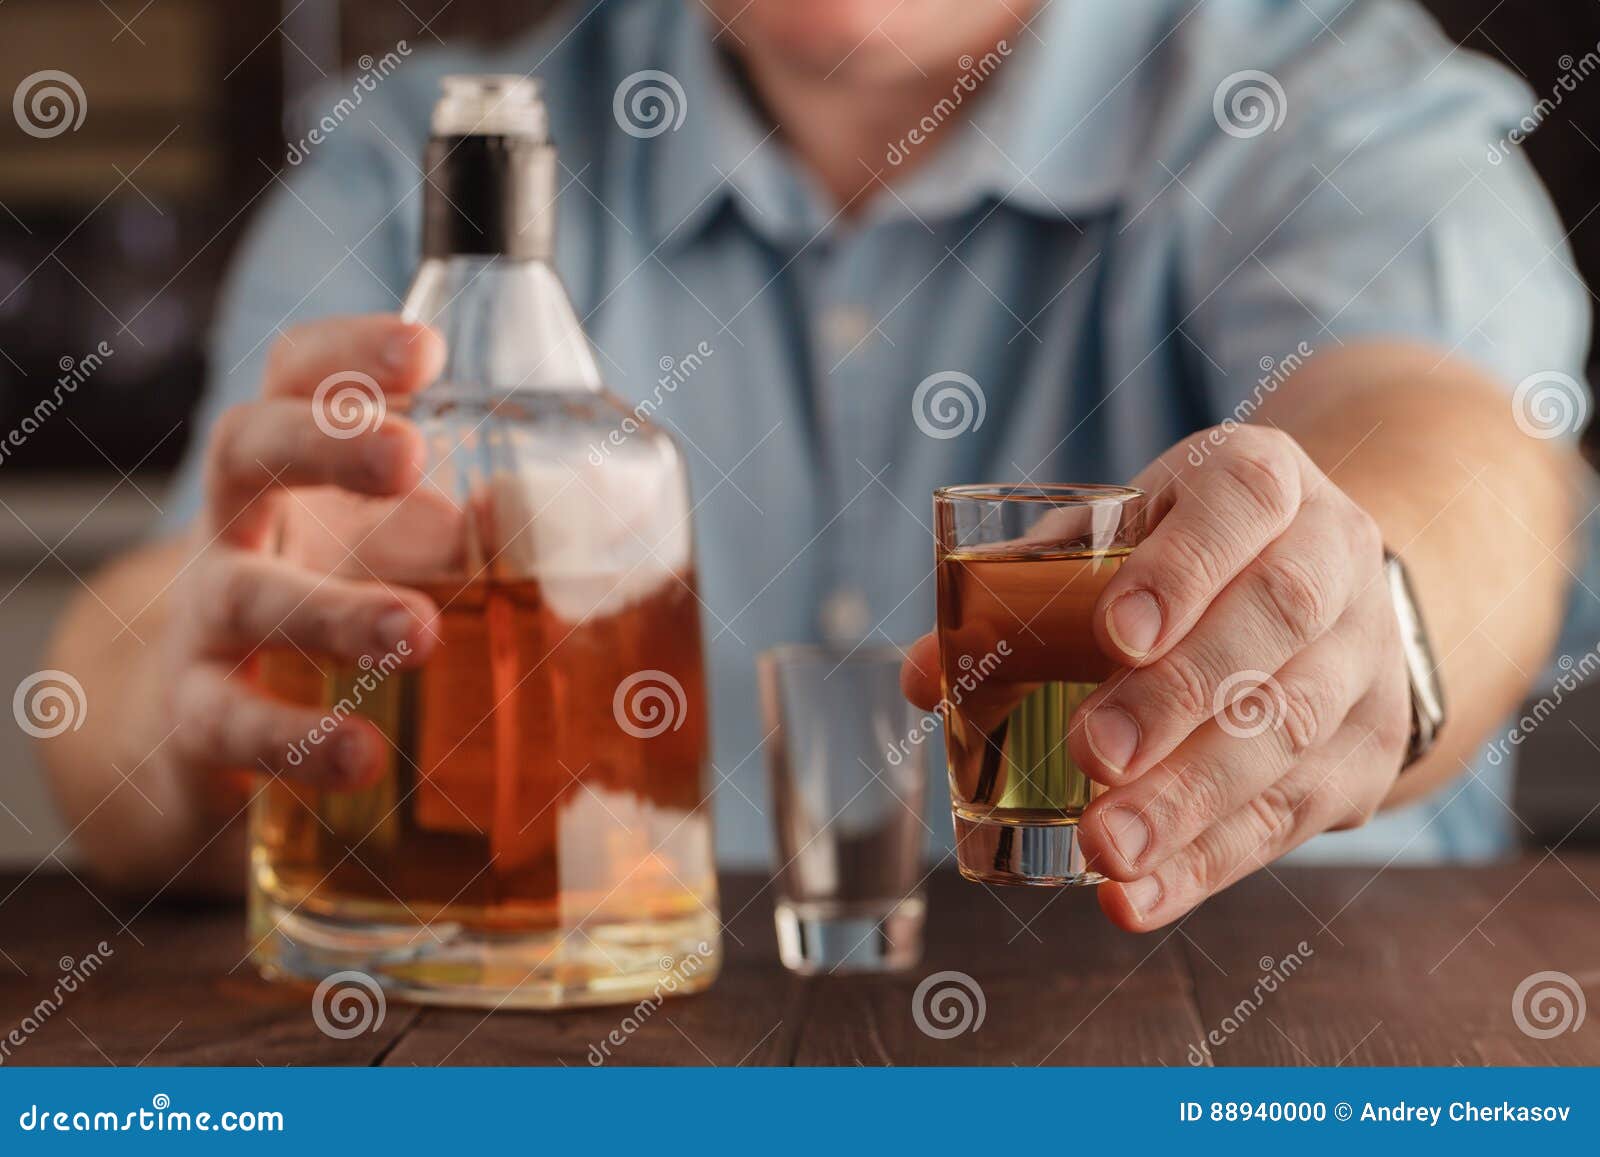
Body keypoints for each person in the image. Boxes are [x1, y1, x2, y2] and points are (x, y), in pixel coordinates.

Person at [40, 0, 1595, 933]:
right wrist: (210, 703)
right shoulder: (439, 156)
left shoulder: (1317, 97)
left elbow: (1453, 442)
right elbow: (129, 670)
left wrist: (1370, 611)